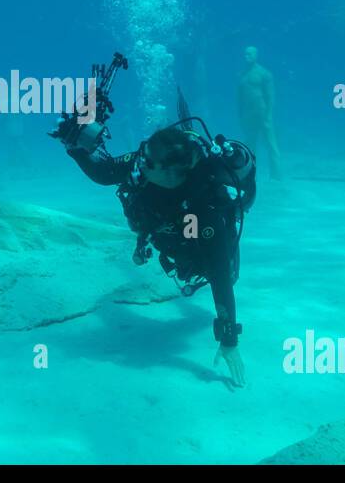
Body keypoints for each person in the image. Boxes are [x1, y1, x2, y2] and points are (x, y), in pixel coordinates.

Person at [60, 118, 256, 387]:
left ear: (172, 174)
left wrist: (229, 340)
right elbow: (106, 172)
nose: (140, 165)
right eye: (143, 156)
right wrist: (75, 147)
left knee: (225, 274)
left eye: (148, 163)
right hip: (166, 233)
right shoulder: (145, 162)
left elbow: (220, 276)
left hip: (197, 245)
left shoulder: (203, 208)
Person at [237, 45, 282, 180]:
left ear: (256, 55)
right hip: (248, 115)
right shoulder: (242, 75)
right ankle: (250, 174)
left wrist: (268, 115)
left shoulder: (264, 74)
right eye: (245, 54)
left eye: (250, 54)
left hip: (262, 114)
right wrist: (240, 114)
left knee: (271, 144)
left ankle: (276, 175)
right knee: (250, 145)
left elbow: (270, 96)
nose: (247, 56)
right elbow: (239, 98)